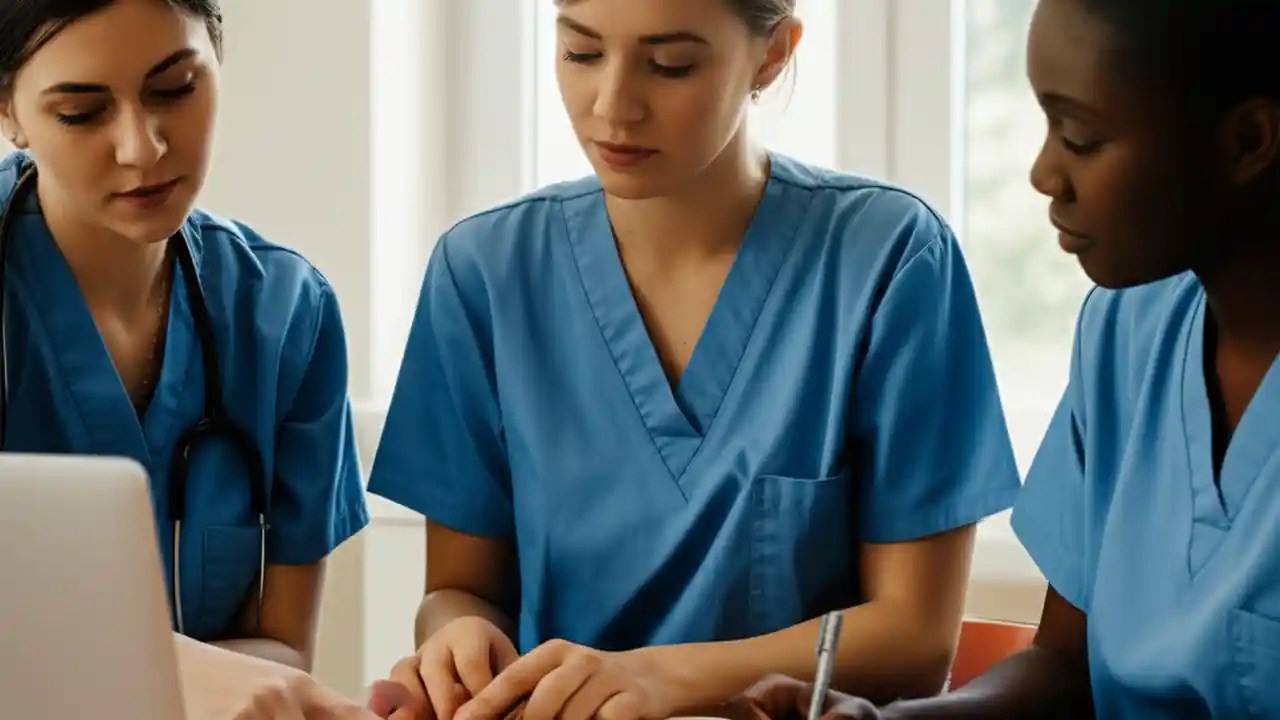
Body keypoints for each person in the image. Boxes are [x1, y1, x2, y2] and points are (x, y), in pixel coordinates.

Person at [367, 0, 1021, 717]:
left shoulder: (890, 259)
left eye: (670, 65)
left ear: (772, 54)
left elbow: (915, 638)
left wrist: (661, 679)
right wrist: (457, 636)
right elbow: (461, 589)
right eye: (582, 54)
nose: (612, 106)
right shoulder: (484, 272)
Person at [739, 0, 1280, 717]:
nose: (1044, 173)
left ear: (1246, 141)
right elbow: (1064, 666)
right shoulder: (1127, 332)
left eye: (1081, 138)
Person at [0, 0, 368, 673]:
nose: (142, 149)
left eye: (174, 89)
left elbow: (283, 649)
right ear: (8, 113)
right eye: (82, 112)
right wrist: (181, 680)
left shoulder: (287, 313)